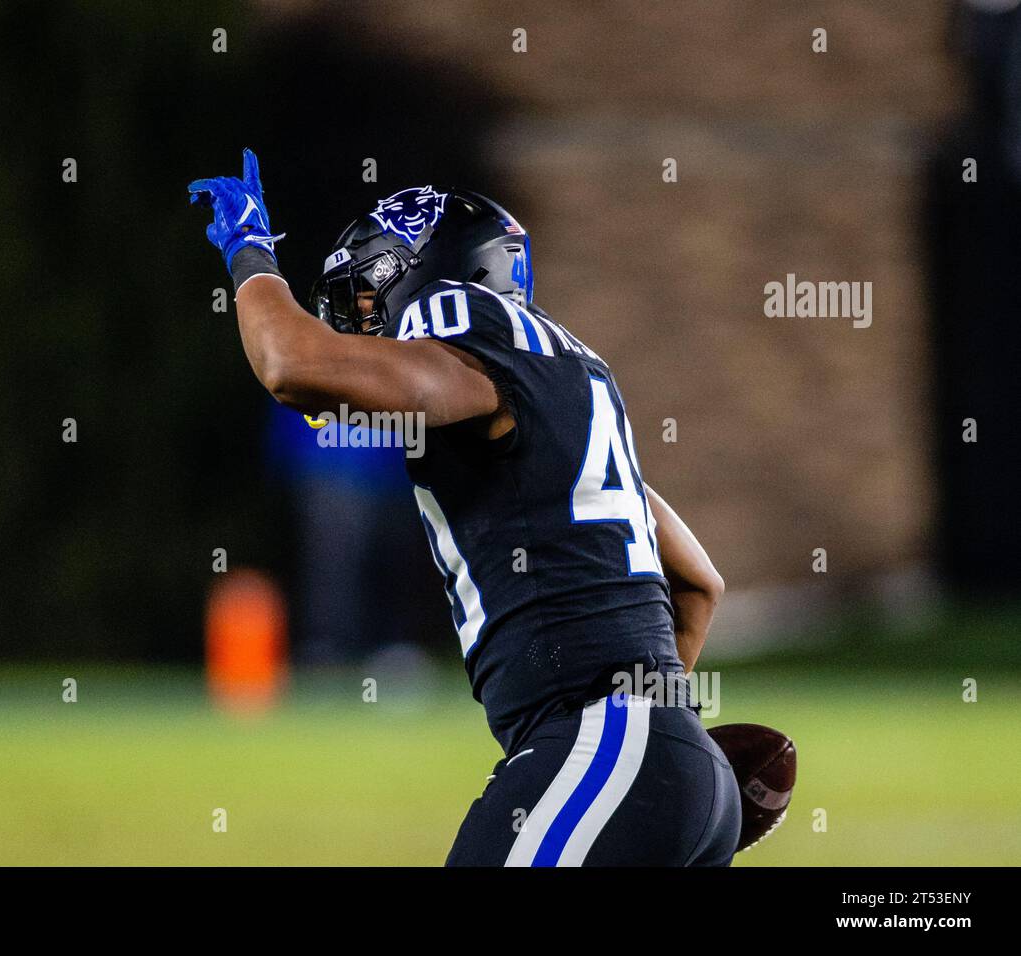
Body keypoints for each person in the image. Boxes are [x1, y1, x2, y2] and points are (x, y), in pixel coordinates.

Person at [189, 150, 740, 866]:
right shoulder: (569, 380)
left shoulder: (466, 327)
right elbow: (701, 583)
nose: (366, 329)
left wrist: (249, 252)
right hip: (653, 760)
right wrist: (668, 752)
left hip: (601, 748)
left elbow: (291, 367)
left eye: (367, 300)